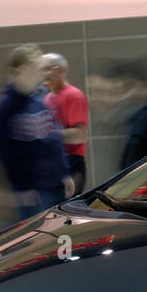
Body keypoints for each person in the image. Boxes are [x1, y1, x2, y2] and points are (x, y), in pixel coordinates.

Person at [0, 44, 72, 221]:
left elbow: (54, 140)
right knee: (34, 238)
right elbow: (4, 151)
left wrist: (64, 173)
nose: (42, 72)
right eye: (37, 67)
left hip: (53, 184)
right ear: (21, 69)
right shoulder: (6, 106)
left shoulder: (41, 99)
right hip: (30, 190)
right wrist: (22, 189)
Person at [41, 53, 90, 194]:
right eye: (42, 70)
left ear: (62, 69)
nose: (44, 74)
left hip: (70, 163)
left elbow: (80, 135)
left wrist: (47, 135)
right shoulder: (46, 99)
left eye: (48, 69)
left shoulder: (74, 95)